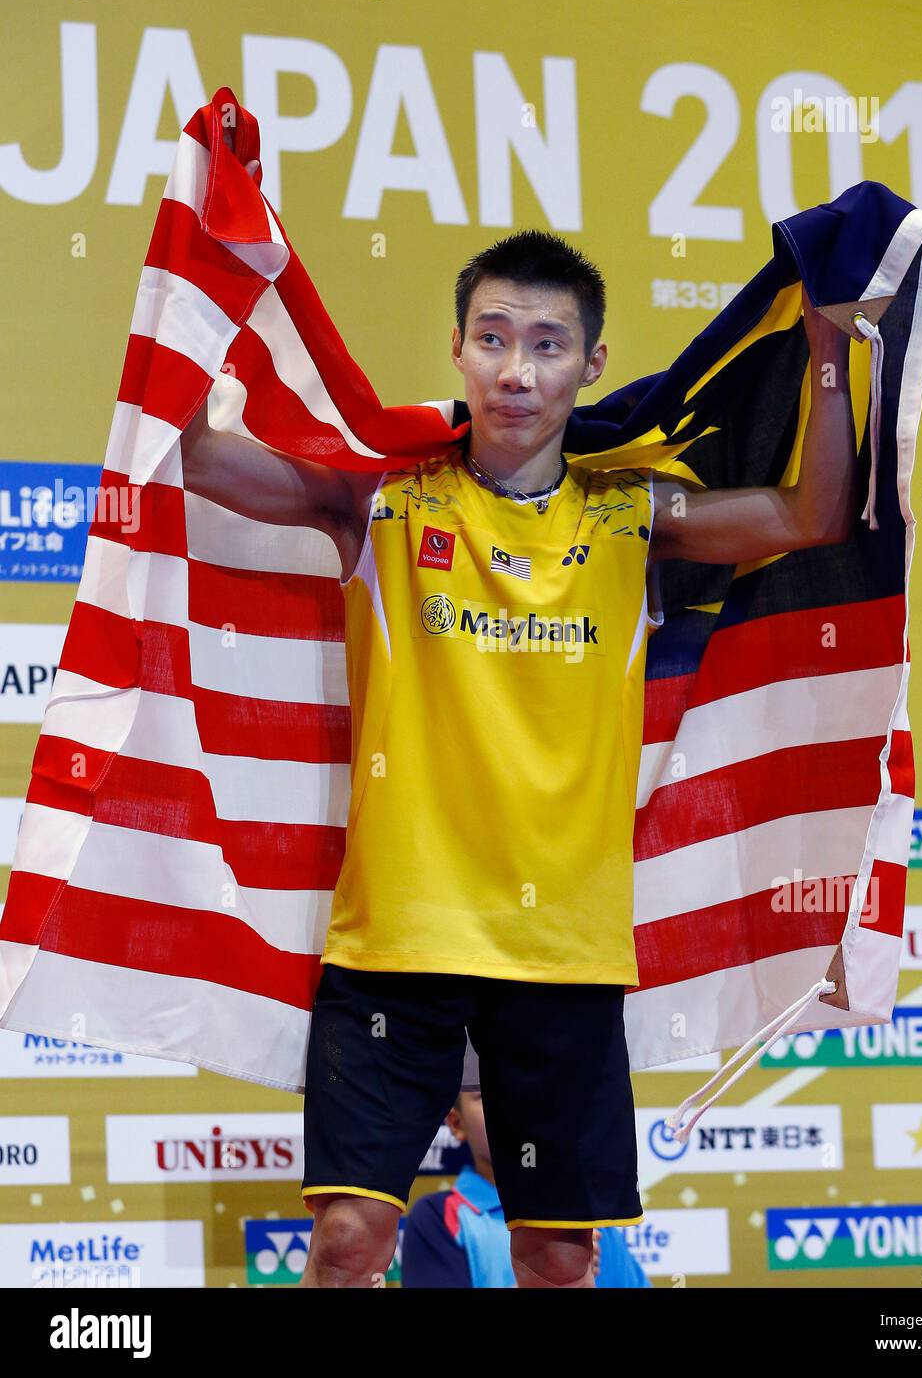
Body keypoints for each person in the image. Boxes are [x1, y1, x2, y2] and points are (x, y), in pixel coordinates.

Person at [180, 230, 855, 1288]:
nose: (515, 369)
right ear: (457, 348)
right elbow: (205, 464)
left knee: (556, 1255)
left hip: (562, 954)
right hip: (398, 939)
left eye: (546, 344)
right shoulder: (386, 500)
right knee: (349, 1239)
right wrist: (188, 311)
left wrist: (825, 351)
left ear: (589, 367)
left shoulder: (634, 517)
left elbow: (809, 516)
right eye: (492, 338)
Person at [401, 1090, 651, 1287]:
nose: (509, 1105)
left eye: (521, 1089)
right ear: (456, 1123)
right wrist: (549, 1277)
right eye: (485, 1093)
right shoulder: (436, 1218)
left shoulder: (584, 1213)